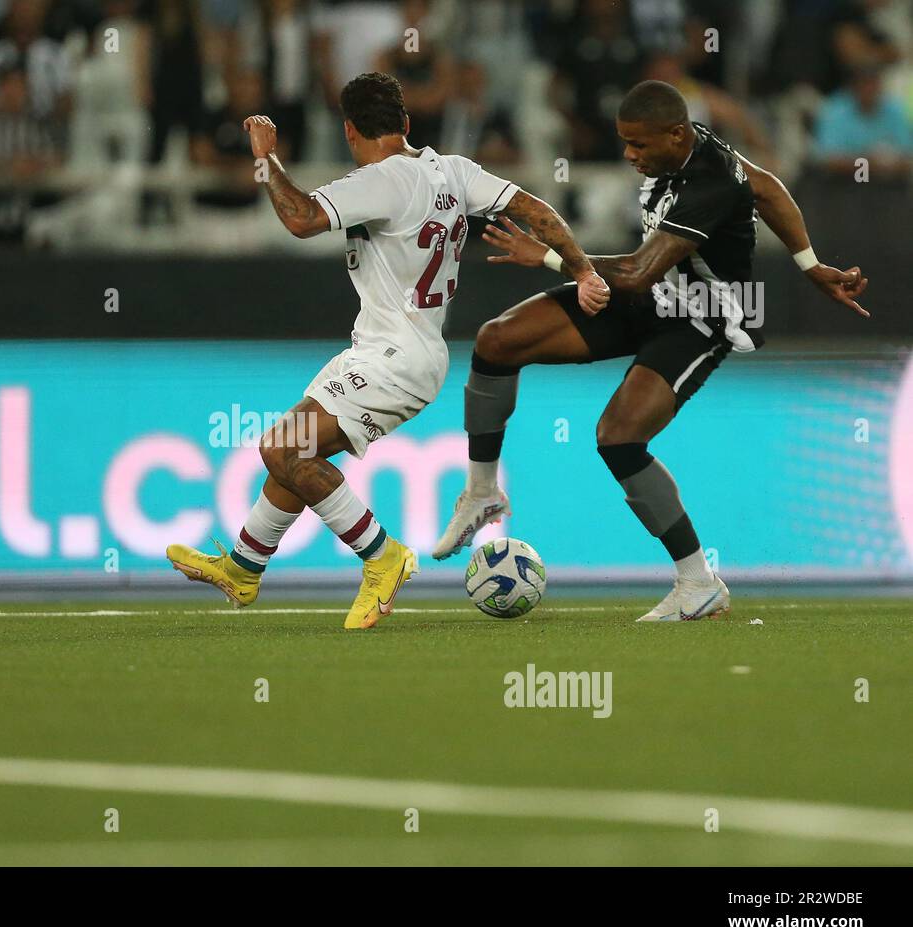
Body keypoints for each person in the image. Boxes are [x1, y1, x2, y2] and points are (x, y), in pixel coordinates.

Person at [166, 71, 607, 630]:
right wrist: (580, 267)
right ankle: (244, 566)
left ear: (349, 130)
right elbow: (537, 211)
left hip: (394, 359)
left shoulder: (377, 181)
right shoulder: (455, 170)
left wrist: (267, 160)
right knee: (295, 458)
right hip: (392, 349)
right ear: (405, 122)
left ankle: (383, 557)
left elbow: (300, 219)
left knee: (283, 449)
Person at [433, 79, 869, 622]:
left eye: (638, 145)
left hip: (699, 319)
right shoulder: (698, 145)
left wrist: (548, 256)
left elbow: (638, 272)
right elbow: (767, 189)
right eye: (625, 142)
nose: (629, 155)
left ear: (675, 134)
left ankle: (697, 583)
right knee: (499, 340)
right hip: (653, 296)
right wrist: (810, 265)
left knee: (618, 437)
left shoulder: (707, 182)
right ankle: (480, 492)